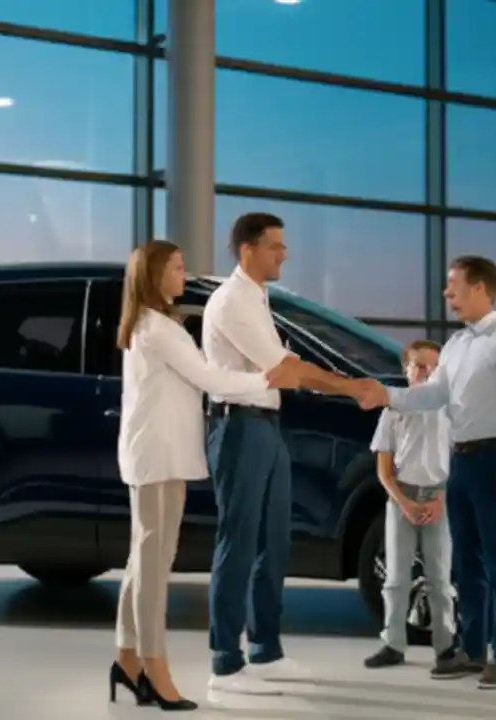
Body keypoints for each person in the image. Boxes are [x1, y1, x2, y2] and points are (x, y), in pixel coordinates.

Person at [111, 240, 300, 712]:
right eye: (176, 267)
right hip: (160, 459)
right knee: (154, 568)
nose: (184, 273)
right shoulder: (160, 331)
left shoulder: (150, 326)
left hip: (152, 456)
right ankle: (155, 669)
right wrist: (270, 379)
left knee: (142, 561)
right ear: (154, 275)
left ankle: (127, 659)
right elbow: (212, 380)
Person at [202, 212, 367, 700]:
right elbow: (284, 371)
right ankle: (224, 663)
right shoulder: (232, 301)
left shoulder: (257, 299)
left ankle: (265, 651)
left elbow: (281, 371)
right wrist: (351, 386)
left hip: (266, 427)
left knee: (273, 541)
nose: (285, 254)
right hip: (238, 428)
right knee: (237, 542)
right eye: (275, 246)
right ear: (247, 249)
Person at [355, 255, 496, 690]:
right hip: (460, 462)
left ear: (480, 288)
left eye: (453, 284)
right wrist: (388, 395)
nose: (447, 293)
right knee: (467, 565)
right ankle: (473, 652)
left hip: (495, 460)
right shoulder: (455, 345)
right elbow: (433, 395)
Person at [362, 339, 457, 672]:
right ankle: (393, 644)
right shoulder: (393, 411)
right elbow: (384, 468)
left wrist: (442, 497)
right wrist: (401, 502)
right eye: (418, 365)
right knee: (396, 578)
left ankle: (446, 647)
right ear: (406, 369)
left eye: (433, 366)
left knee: (440, 579)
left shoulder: (448, 410)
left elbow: (457, 460)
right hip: (401, 498)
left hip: (438, 498)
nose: (425, 372)